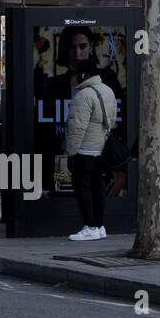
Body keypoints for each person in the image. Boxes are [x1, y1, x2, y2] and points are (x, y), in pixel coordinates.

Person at [66, 59, 116, 240]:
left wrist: (71, 152)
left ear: (83, 75)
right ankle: (100, 226)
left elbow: (77, 127)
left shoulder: (83, 95)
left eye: (75, 74)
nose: (74, 78)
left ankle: (90, 226)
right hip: (101, 150)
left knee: (82, 188)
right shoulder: (107, 90)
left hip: (85, 150)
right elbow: (112, 119)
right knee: (98, 187)